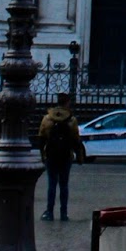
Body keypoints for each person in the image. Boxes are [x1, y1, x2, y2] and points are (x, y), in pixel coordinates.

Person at [38, 92, 85, 222]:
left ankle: (49, 212)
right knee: (64, 185)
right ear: (67, 103)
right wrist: (79, 155)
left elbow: (41, 138)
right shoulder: (71, 119)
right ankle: (63, 213)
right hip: (66, 155)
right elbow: (76, 139)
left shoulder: (47, 118)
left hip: (51, 155)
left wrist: (42, 154)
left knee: (52, 184)